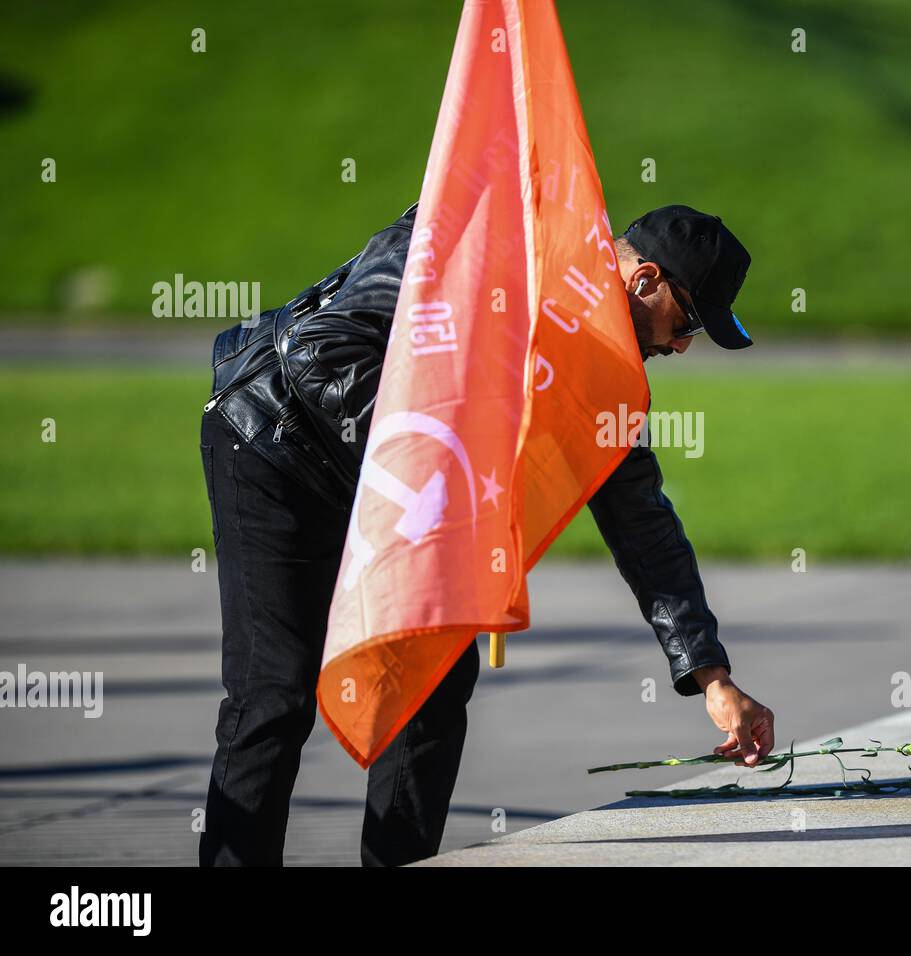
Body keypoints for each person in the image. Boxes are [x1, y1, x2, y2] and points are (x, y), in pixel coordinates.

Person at [197, 202, 775, 866]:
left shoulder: (604, 371)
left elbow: (644, 526)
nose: (680, 346)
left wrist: (712, 678)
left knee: (434, 685)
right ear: (644, 281)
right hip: (273, 439)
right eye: (688, 322)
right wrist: (450, 481)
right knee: (276, 693)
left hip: (393, 488)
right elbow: (320, 352)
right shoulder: (482, 237)